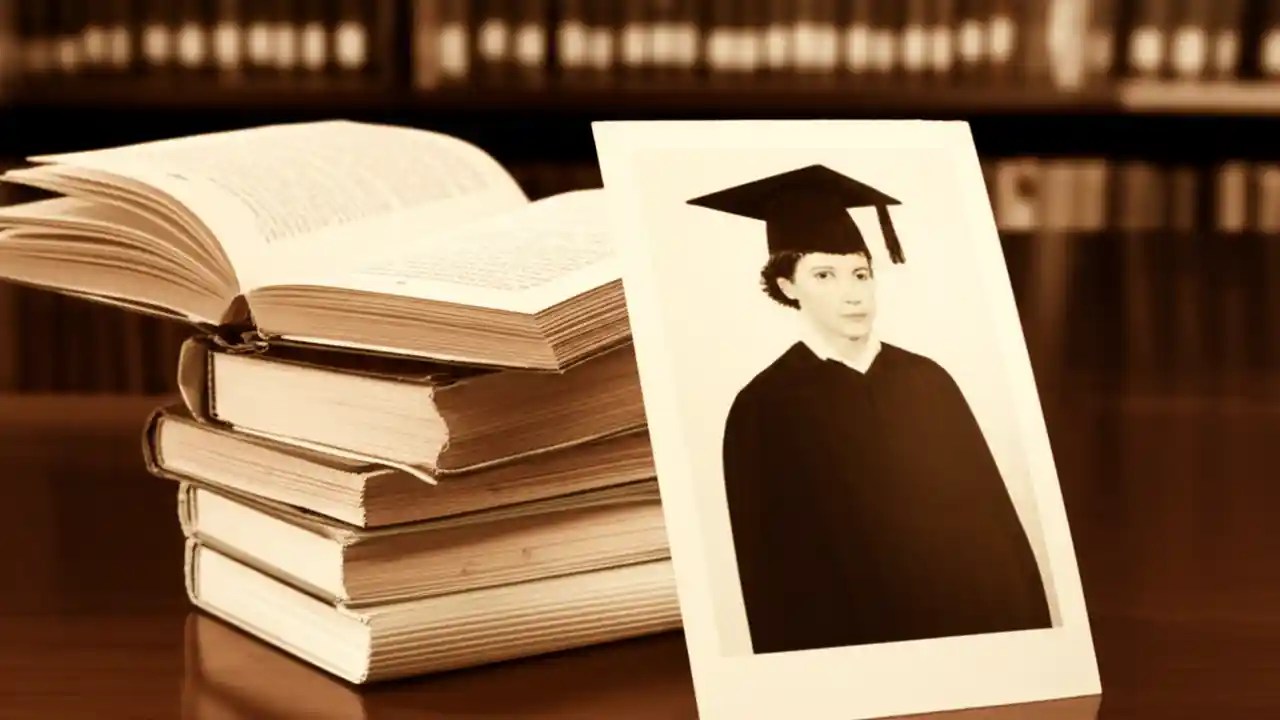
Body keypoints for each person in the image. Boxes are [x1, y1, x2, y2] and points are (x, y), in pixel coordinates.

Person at [687, 164, 1053, 655]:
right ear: (788, 286)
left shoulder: (929, 381)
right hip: (848, 658)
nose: (852, 292)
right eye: (824, 275)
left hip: (963, 646)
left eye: (860, 272)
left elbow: (997, 535)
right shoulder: (762, 408)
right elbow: (769, 574)